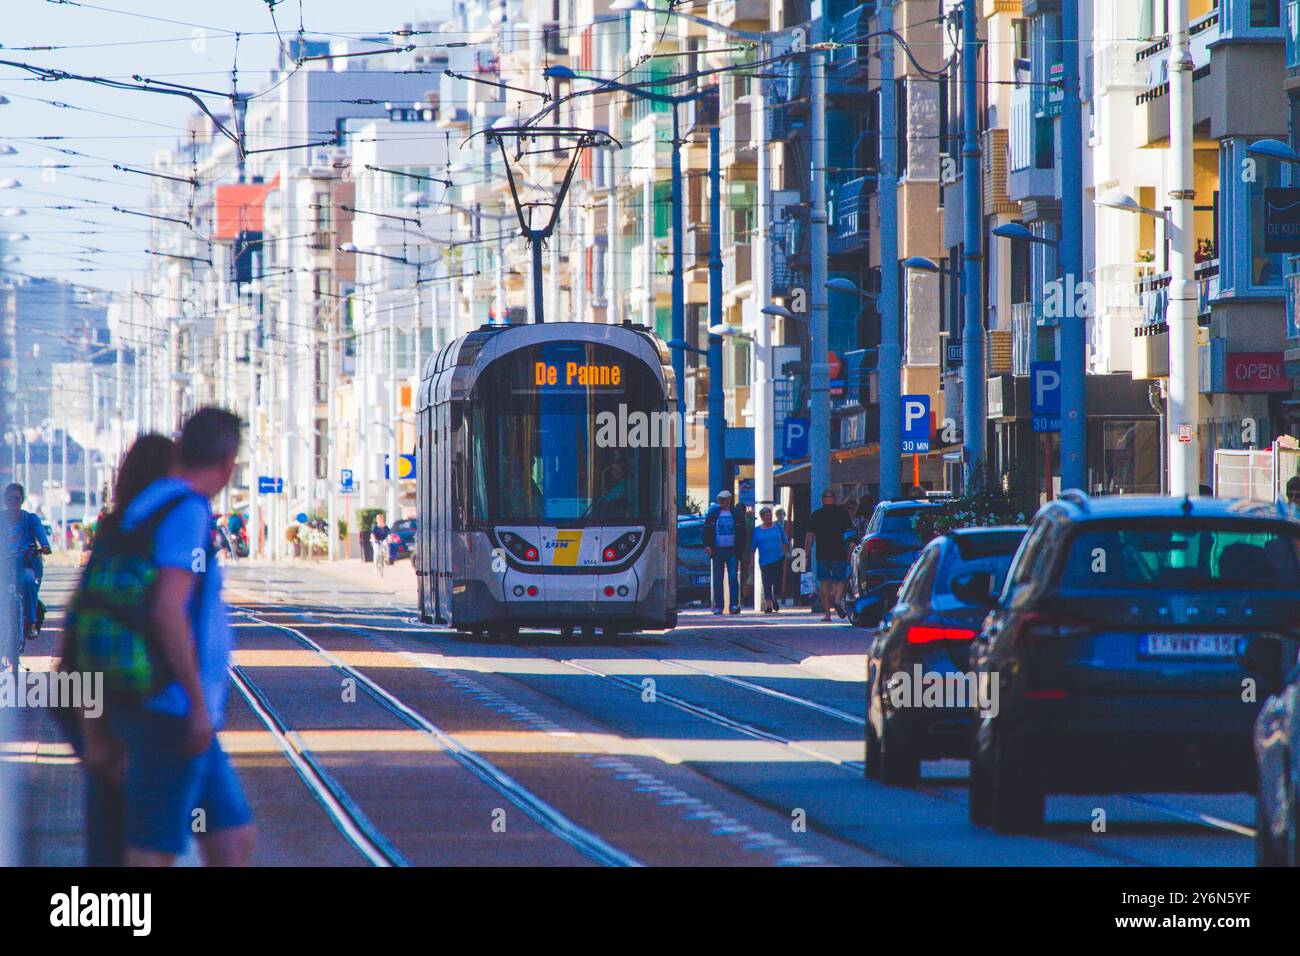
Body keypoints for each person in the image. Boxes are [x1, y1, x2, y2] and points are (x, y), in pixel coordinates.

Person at [106, 408, 255, 867]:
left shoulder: (150, 503)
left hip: (181, 710)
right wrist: (193, 700)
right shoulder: (186, 510)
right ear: (229, 462)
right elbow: (169, 609)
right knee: (153, 849)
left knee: (233, 840)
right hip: (171, 709)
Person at [61, 432, 175, 867]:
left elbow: (80, 631)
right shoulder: (153, 539)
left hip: (89, 701)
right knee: (145, 836)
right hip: (135, 704)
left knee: (109, 825)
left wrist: (91, 733)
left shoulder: (112, 532)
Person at [2, 482, 52, 641]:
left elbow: (42, 537)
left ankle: (30, 623)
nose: (13, 502)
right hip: (4, 565)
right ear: (5, 501)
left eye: (17, 499)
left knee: (29, 581)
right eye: (10, 499)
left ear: (22, 500)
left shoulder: (30, 519)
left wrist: (44, 546)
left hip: (25, 564)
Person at [804, 488, 854, 622]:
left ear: (822, 500)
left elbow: (810, 536)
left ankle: (827, 614)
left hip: (822, 553)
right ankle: (837, 600)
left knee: (824, 583)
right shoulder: (842, 513)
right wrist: (850, 551)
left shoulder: (816, 515)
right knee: (840, 580)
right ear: (835, 499)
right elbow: (850, 534)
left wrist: (807, 554)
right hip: (839, 551)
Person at [703, 489, 748, 614]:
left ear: (729, 500)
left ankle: (733, 605)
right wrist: (707, 545)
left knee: (733, 578)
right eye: (721, 500)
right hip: (717, 551)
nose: (723, 502)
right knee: (717, 580)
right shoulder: (713, 514)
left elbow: (743, 533)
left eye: (725, 500)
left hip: (732, 550)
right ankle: (719, 606)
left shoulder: (737, 514)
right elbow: (706, 530)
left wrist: (740, 549)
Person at [751, 506, 789, 613]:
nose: (768, 517)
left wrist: (785, 554)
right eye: (766, 515)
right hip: (764, 561)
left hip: (778, 558)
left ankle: (774, 597)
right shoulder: (757, 531)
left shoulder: (778, 526)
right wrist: (751, 562)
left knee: (777, 581)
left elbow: (785, 540)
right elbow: (753, 547)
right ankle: (768, 605)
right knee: (766, 582)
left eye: (769, 515)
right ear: (762, 517)